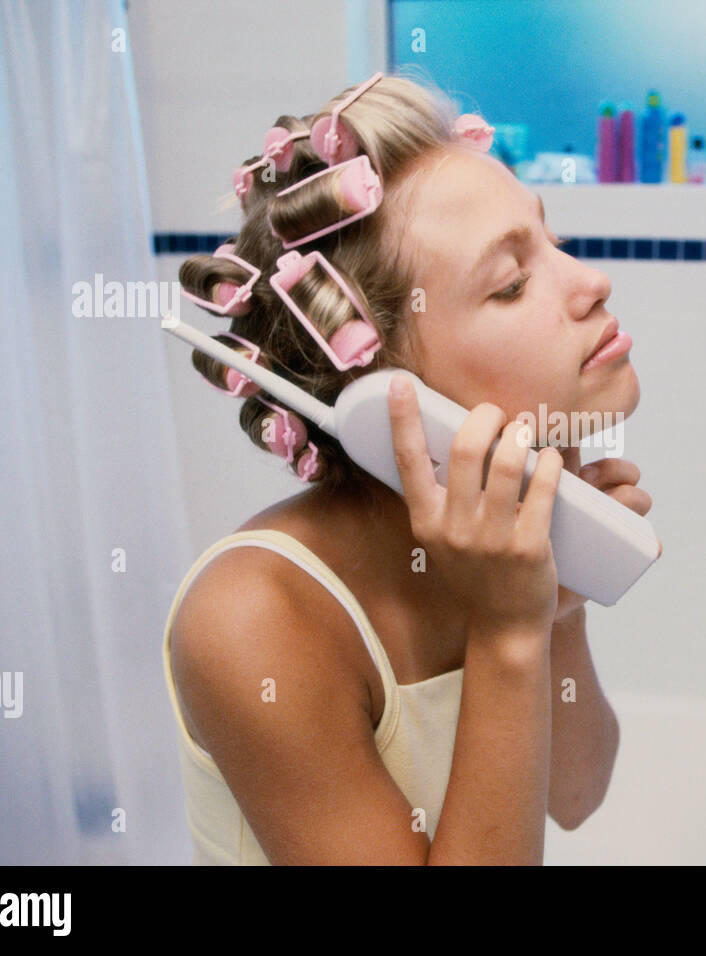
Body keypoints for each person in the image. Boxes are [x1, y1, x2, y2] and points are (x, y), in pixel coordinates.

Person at [160, 69, 654, 864]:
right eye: (512, 284)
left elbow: (577, 795)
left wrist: (554, 613)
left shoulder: (499, 542)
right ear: (389, 399)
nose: (592, 282)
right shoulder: (253, 619)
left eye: (552, 240)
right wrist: (506, 631)